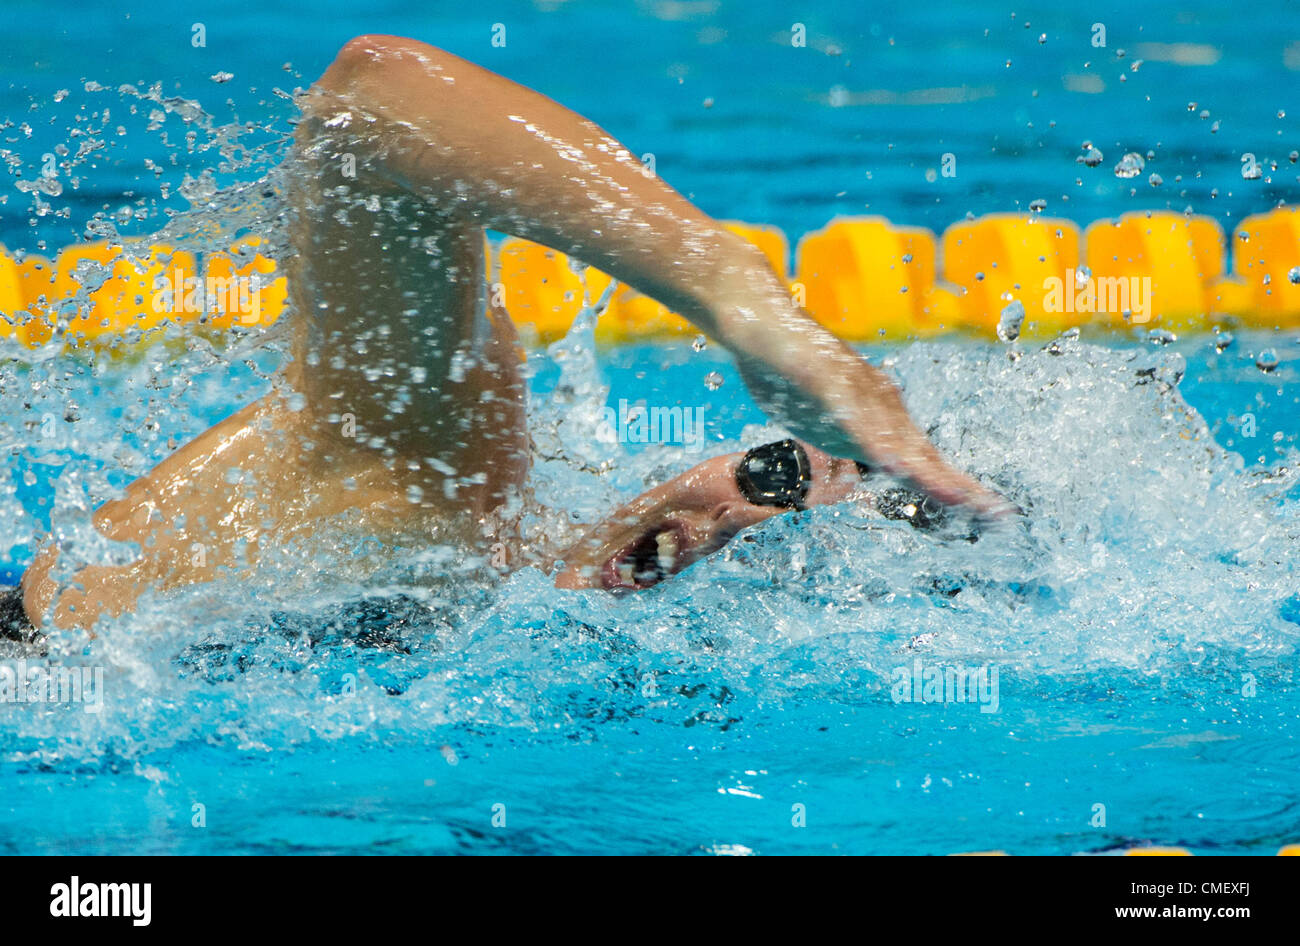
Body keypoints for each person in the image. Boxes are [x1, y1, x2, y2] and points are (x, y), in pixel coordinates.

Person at [4, 35, 1008, 637]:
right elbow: (368, 105)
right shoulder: (378, 504)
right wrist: (743, 303)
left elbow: (372, 101)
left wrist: (742, 303)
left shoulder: (130, 590)